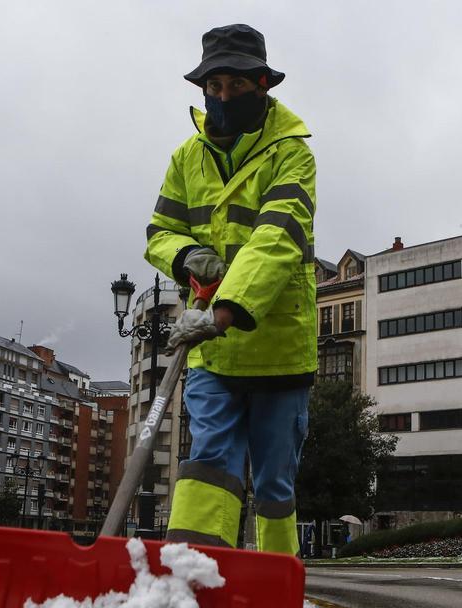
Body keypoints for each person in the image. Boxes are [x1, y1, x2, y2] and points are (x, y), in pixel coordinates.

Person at [145, 24, 316, 555]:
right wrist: (186, 256)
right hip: (211, 356)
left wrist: (222, 312)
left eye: (236, 85)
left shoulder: (292, 154)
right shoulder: (186, 158)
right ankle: (193, 578)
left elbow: (277, 238)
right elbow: (159, 232)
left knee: (274, 484)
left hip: (276, 349)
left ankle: (276, 581)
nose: (223, 96)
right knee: (208, 466)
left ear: (262, 85)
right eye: (214, 86)